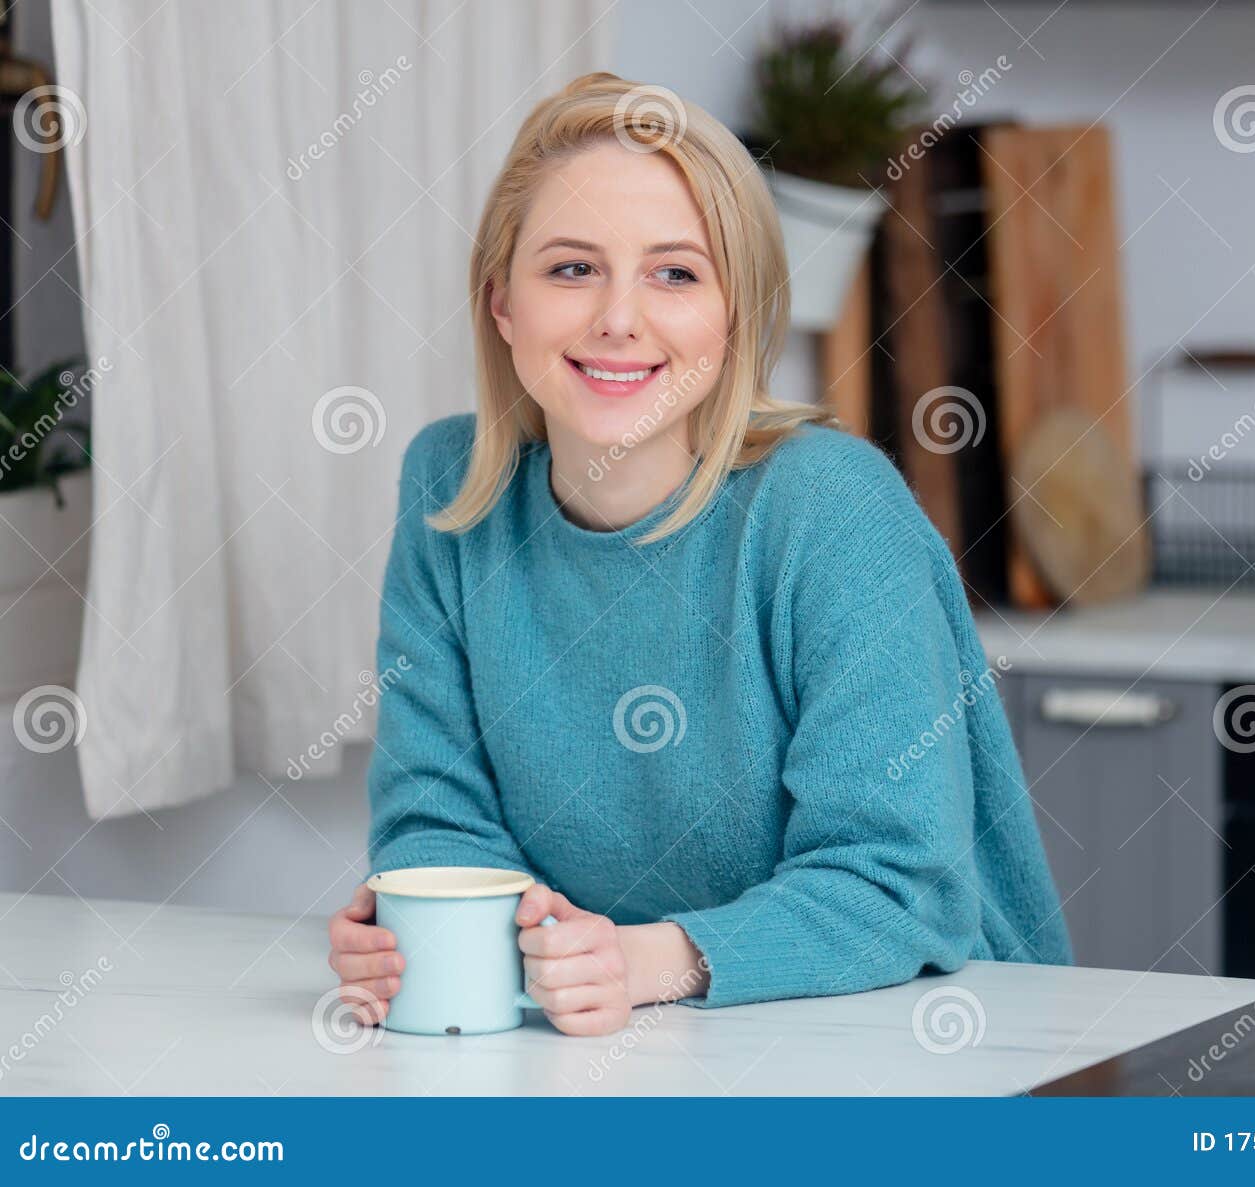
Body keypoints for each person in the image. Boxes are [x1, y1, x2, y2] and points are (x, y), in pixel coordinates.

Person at [326, 72, 1070, 1037]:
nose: (618, 319)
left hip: (932, 1038)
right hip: (629, 1048)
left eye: (676, 273)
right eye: (570, 268)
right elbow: (437, 819)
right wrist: (416, 926)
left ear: (736, 316)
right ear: (502, 302)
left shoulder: (832, 510)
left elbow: (899, 885)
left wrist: (644, 961)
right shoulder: (450, 486)